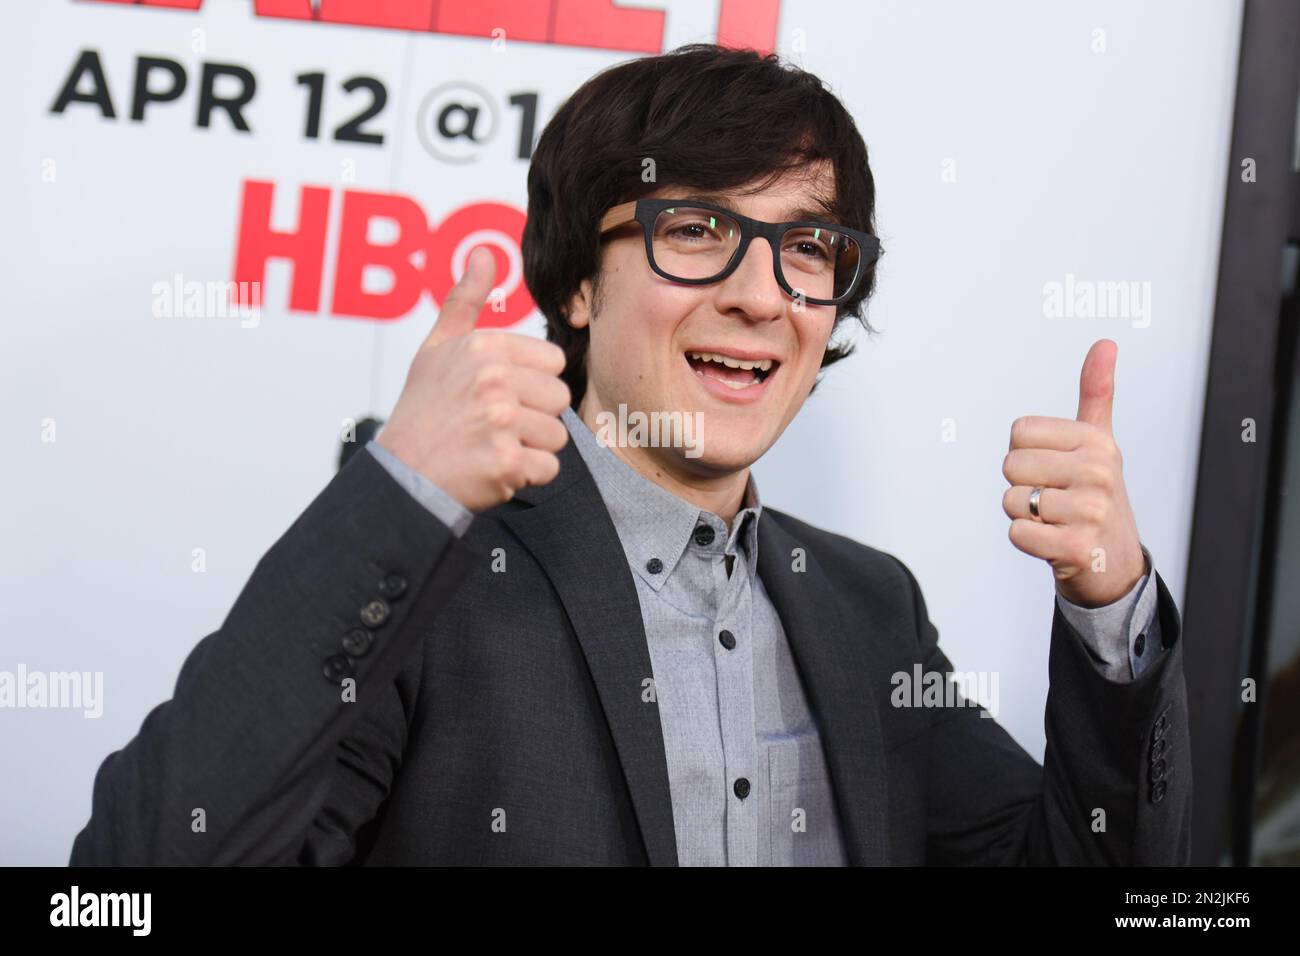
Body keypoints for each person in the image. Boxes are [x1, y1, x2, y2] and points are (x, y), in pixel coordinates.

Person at [70, 43, 1189, 866]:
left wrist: (1112, 616)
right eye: (694, 229)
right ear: (573, 284)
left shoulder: (866, 605)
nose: (760, 295)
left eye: (807, 246)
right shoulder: (436, 575)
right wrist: (399, 494)